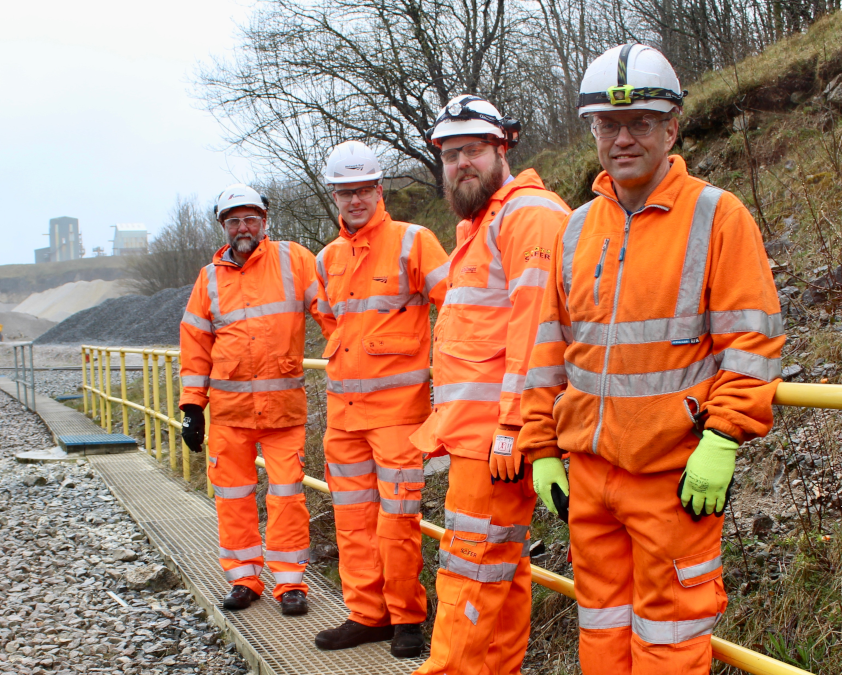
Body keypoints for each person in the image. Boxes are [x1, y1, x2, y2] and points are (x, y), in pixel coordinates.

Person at [517, 44, 786, 674]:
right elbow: (549, 352)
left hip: (671, 476)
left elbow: (752, 340)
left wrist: (724, 439)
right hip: (587, 476)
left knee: (668, 642)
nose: (623, 138)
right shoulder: (576, 229)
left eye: (641, 122)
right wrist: (541, 446)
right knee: (602, 630)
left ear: (672, 127)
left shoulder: (718, 216)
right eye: (608, 125)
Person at [409, 95, 571, 675]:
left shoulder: (528, 215)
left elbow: (536, 333)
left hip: (499, 440)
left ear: (504, 148)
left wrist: (511, 427)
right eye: (451, 155)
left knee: (470, 568)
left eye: (473, 150)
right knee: (498, 569)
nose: (461, 164)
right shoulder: (481, 225)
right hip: (479, 438)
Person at [310, 141, 449, 658]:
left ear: (379, 189)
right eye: (345, 192)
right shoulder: (327, 258)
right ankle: (367, 614)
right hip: (344, 417)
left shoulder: (414, 242)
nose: (355, 200)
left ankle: (407, 616)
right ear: (335, 196)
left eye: (363, 189)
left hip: (398, 417)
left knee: (397, 521)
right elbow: (330, 319)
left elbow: (453, 307)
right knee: (352, 519)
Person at [178, 184, 333, 615]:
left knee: (286, 497)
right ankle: (245, 578)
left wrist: (349, 358)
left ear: (264, 222)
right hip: (229, 415)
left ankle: (290, 584)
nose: (242, 227)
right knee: (233, 498)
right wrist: (192, 406)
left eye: (250, 219)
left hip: (283, 412)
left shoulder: (294, 260)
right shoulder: (208, 279)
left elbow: (329, 313)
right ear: (223, 227)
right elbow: (195, 344)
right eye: (233, 221)